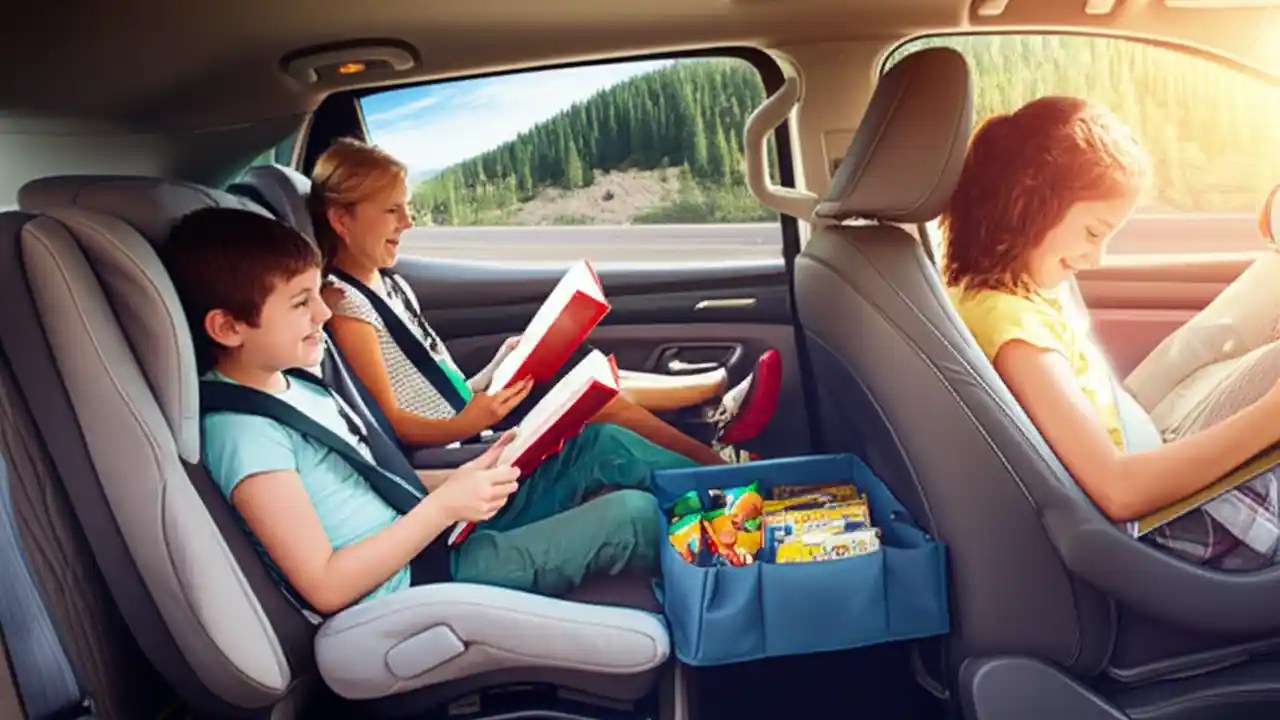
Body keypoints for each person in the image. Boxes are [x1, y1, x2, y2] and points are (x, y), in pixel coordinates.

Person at [161, 206, 699, 615]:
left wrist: (467, 475)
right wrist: (442, 508)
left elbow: (376, 480)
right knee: (629, 516)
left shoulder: (296, 386)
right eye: (301, 302)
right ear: (228, 328)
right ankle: (750, 552)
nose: (324, 312)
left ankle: (751, 496)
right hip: (422, 580)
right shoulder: (243, 435)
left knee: (598, 444)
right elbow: (324, 585)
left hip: (433, 530)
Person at [941, 95, 1280, 570]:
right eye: (1093, 232)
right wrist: (1269, 418)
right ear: (1023, 205)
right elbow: (1119, 490)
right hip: (1160, 528)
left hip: (1157, 481)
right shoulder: (1011, 328)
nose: (1098, 258)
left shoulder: (1016, 294)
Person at [307, 138, 779, 467]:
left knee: (582, 373)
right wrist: (471, 419)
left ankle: (710, 393)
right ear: (341, 220)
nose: (407, 222)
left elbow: (440, 388)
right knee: (595, 405)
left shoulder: (391, 287)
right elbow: (394, 423)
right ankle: (713, 456)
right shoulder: (345, 306)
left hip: (464, 421)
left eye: (406, 207)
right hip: (455, 450)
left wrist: (496, 368)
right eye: (392, 210)